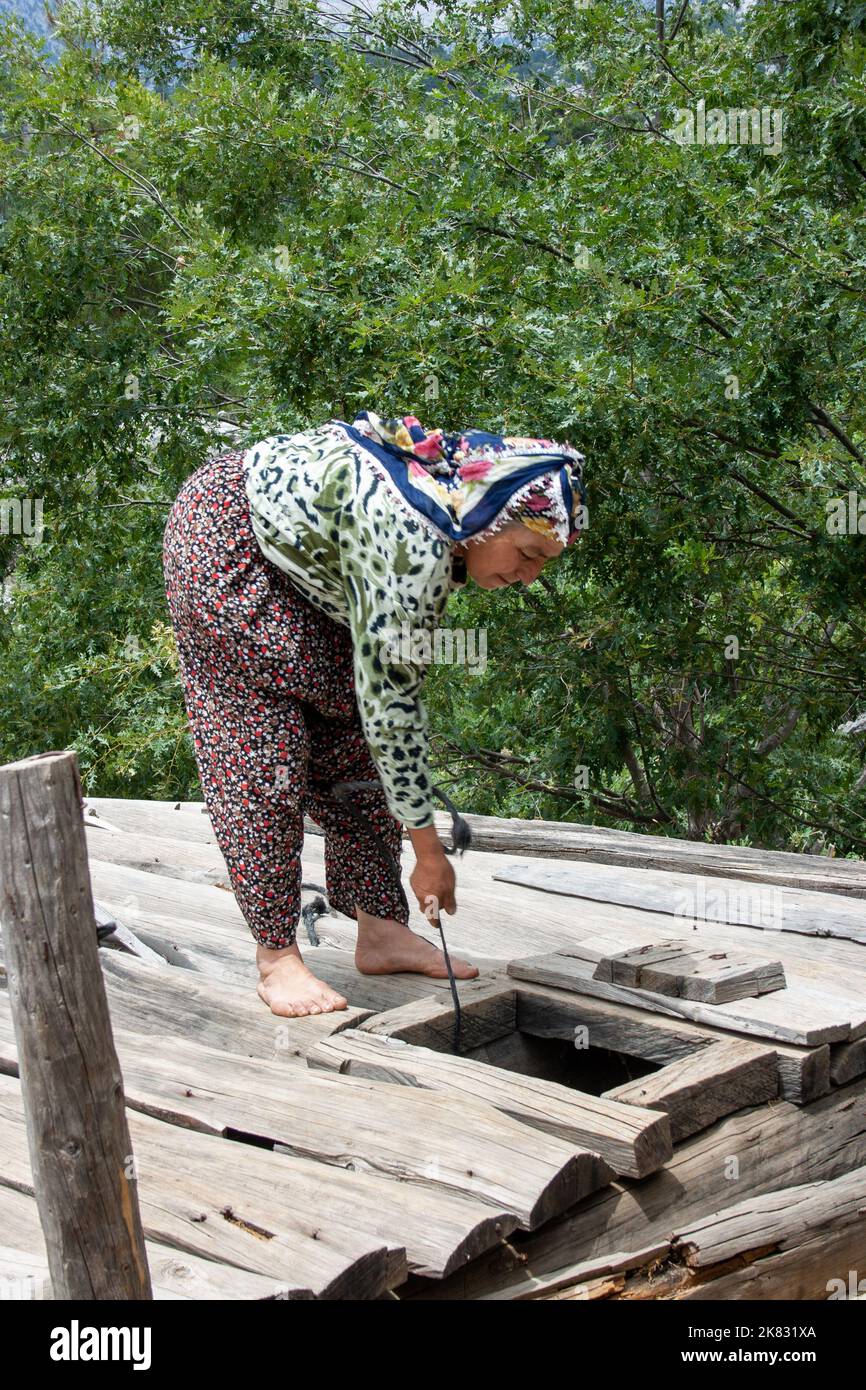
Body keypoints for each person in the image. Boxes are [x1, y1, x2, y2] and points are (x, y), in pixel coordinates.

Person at [162, 410, 586, 1017]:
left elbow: (378, 706)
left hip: (302, 570)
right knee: (263, 746)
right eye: (527, 552)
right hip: (224, 540)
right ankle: (277, 956)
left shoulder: (450, 519)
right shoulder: (417, 544)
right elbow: (393, 708)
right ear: (489, 515)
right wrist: (429, 853)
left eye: (545, 562)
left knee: (351, 740)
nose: (529, 575)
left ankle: (381, 928)